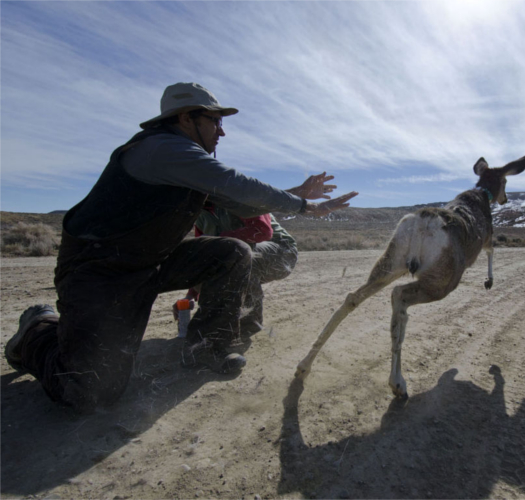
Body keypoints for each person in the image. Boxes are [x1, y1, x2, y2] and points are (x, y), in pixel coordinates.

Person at [4, 82, 358, 413]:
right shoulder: (162, 148)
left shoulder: (184, 162)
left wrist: (299, 195)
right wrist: (304, 205)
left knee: (232, 252)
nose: (222, 130)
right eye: (215, 121)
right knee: (87, 390)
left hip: (152, 260)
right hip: (102, 270)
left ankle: (206, 345)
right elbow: (232, 182)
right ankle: (38, 328)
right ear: (186, 118)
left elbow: (240, 203)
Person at [175, 198, 306, 336]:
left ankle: (249, 324)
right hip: (244, 254)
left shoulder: (236, 196)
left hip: (282, 253)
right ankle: (211, 324)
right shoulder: (201, 214)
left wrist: (220, 238)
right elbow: (203, 255)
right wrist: (190, 294)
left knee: (241, 255)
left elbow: (263, 231)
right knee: (208, 262)